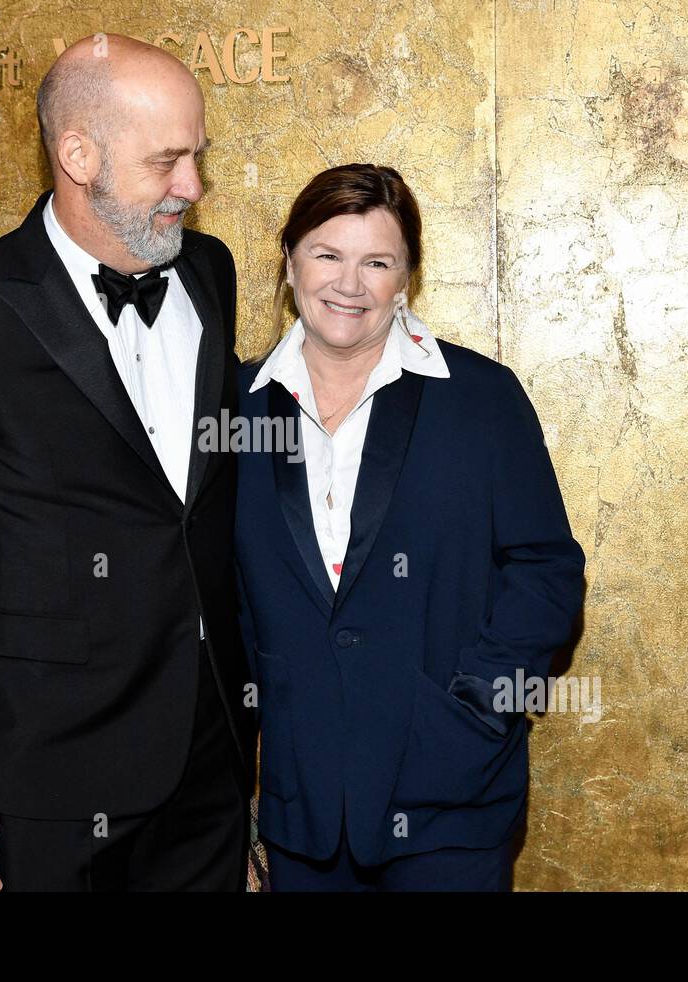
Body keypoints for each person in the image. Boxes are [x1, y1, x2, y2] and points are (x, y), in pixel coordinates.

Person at [0, 34, 254, 891]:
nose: (192, 187)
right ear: (77, 156)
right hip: (40, 789)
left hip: (206, 766)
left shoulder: (209, 272)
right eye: (167, 162)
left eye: (198, 156)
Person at [234, 163, 586, 891]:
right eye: (328, 254)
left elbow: (546, 571)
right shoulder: (234, 409)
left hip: (448, 803)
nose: (349, 284)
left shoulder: (481, 398)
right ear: (290, 260)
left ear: (406, 279)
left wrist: (476, 710)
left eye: (377, 262)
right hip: (300, 810)